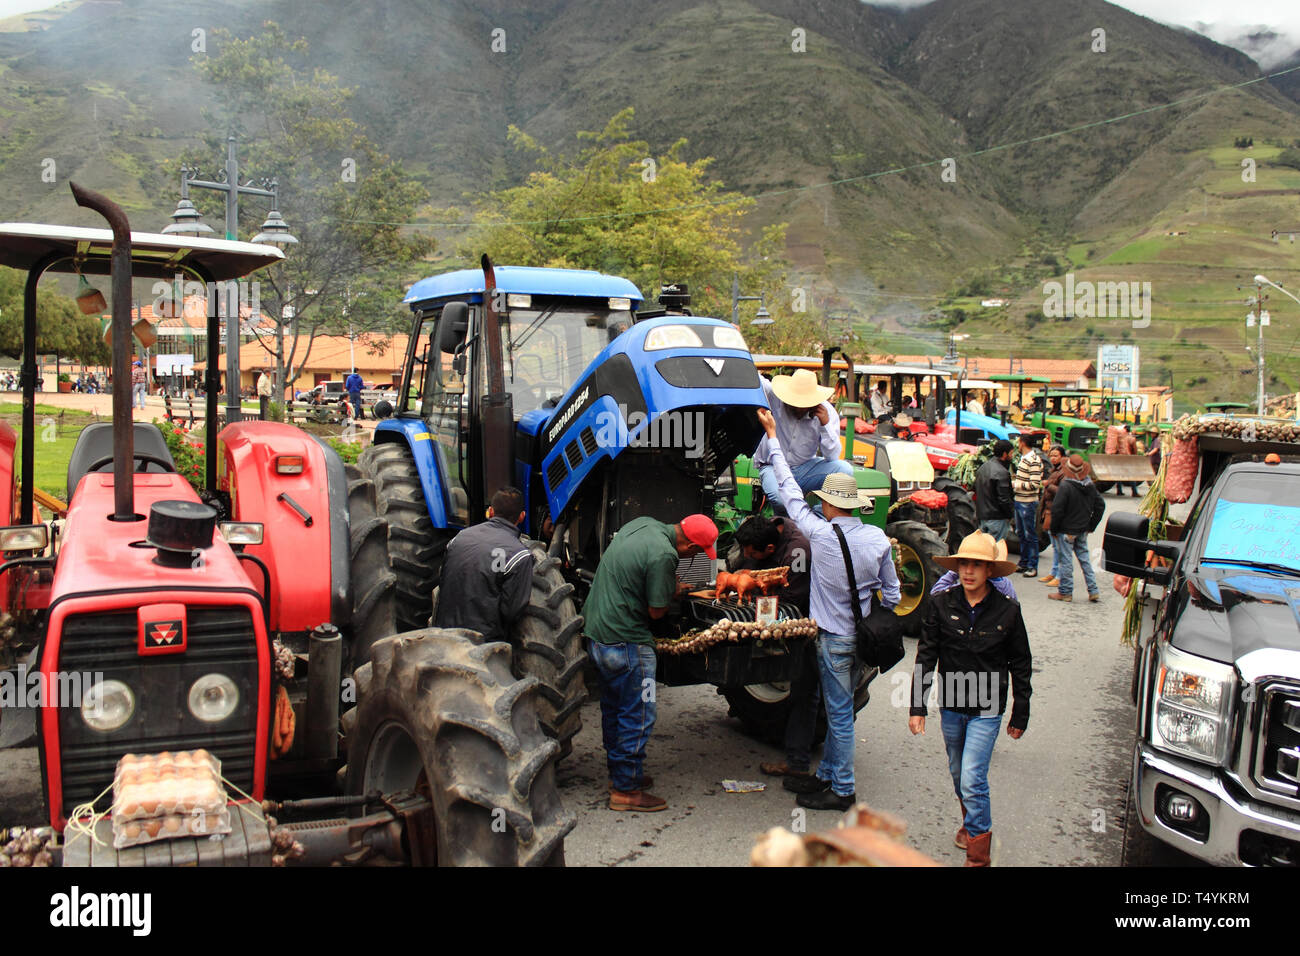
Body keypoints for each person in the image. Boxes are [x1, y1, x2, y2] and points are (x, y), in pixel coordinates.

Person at [757, 407, 900, 811]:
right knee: (836, 708)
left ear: (830, 506)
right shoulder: (877, 539)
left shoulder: (818, 534)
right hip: (863, 640)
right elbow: (891, 594)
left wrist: (772, 437)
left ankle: (844, 790)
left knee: (838, 717)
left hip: (833, 640)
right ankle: (825, 777)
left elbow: (786, 487)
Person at [909, 531, 1032, 866]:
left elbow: (1021, 663)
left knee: (972, 776)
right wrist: (918, 708)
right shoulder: (940, 603)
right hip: (951, 705)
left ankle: (979, 857)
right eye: (964, 563)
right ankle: (969, 822)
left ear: (989, 571)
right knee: (957, 770)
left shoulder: (1008, 611)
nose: (968, 570)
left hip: (987, 708)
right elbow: (926, 656)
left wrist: (1020, 712)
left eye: (977, 565)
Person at [585, 512, 719, 812]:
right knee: (639, 714)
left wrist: (673, 584)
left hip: (597, 635)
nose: (693, 556)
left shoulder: (642, 523)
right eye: (697, 552)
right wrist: (676, 589)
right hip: (626, 641)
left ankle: (620, 776)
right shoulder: (665, 555)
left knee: (614, 707)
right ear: (689, 546)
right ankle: (626, 792)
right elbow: (657, 611)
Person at [734, 515, 817, 781]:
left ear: (770, 550)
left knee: (806, 692)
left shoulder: (798, 553)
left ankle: (798, 762)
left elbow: (794, 598)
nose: (749, 556)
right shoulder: (763, 530)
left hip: (807, 624)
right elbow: (745, 563)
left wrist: (754, 595)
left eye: (752, 554)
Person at [433, 487, 533, 643]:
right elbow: (512, 611)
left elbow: (443, 583)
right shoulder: (520, 555)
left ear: (490, 512)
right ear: (522, 516)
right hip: (483, 646)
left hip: (443, 638)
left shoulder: (458, 539)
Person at [752, 368, 853, 509]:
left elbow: (833, 456)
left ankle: (817, 517)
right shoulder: (774, 397)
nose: (798, 408)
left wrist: (825, 425)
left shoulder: (827, 413)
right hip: (772, 467)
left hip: (804, 469)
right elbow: (754, 377)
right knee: (783, 501)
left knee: (844, 471)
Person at [1048, 454, 1103, 603]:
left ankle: (1065, 592)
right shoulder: (1090, 485)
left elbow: (1057, 510)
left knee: (1065, 561)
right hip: (1082, 529)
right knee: (1084, 560)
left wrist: (1054, 529)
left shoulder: (1066, 486)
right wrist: (1091, 525)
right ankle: (1093, 590)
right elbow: (1100, 505)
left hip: (1066, 530)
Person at [1010, 435, 1044, 577]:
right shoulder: (1025, 459)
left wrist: (1015, 485)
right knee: (1021, 534)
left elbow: (1035, 484)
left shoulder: (1033, 460)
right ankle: (1023, 562)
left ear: (1022, 443)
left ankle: (1032, 566)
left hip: (1027, 502)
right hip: (1020, 500)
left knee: (1030, 535)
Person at [1037, 444, 1067, 586]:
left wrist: (1048, 485)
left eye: (1056, 455)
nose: (1053, 458)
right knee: (1055, 546)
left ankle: (1060, 575)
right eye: (1052, 455)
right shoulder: (1053, 471)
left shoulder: (1064, 473)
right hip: (1049, 512)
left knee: (1060, 547)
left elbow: (1063, 492)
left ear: (1063, 457)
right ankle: (1053, 572)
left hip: (1057, 513)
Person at [974, 440, 1014, 541]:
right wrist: (1010, 514)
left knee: (985, 550)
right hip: (997, 518)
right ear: (1005, 454)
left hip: (983, 516)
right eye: (1011, 453)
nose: (1012, 456)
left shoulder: (983, 468)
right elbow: (1004, 498)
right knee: (995, 551)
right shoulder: (1002, 472)